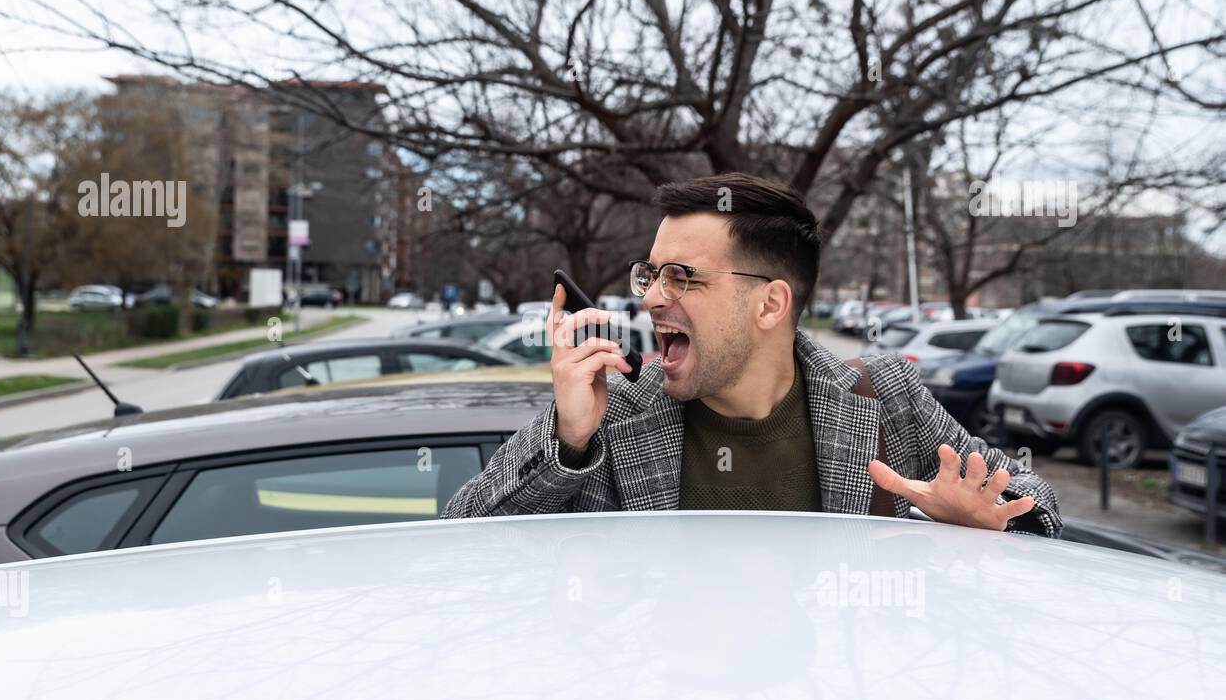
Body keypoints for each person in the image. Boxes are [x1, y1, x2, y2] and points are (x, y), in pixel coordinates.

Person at [442, 172, 1060, 536]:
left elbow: (1041, 504)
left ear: (770, 305)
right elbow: (463, 536)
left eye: (682, 277)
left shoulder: (886, 397)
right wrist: (568, 440)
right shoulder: (615, 417)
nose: (653, 299)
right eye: (650, 275)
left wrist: (987, 522)